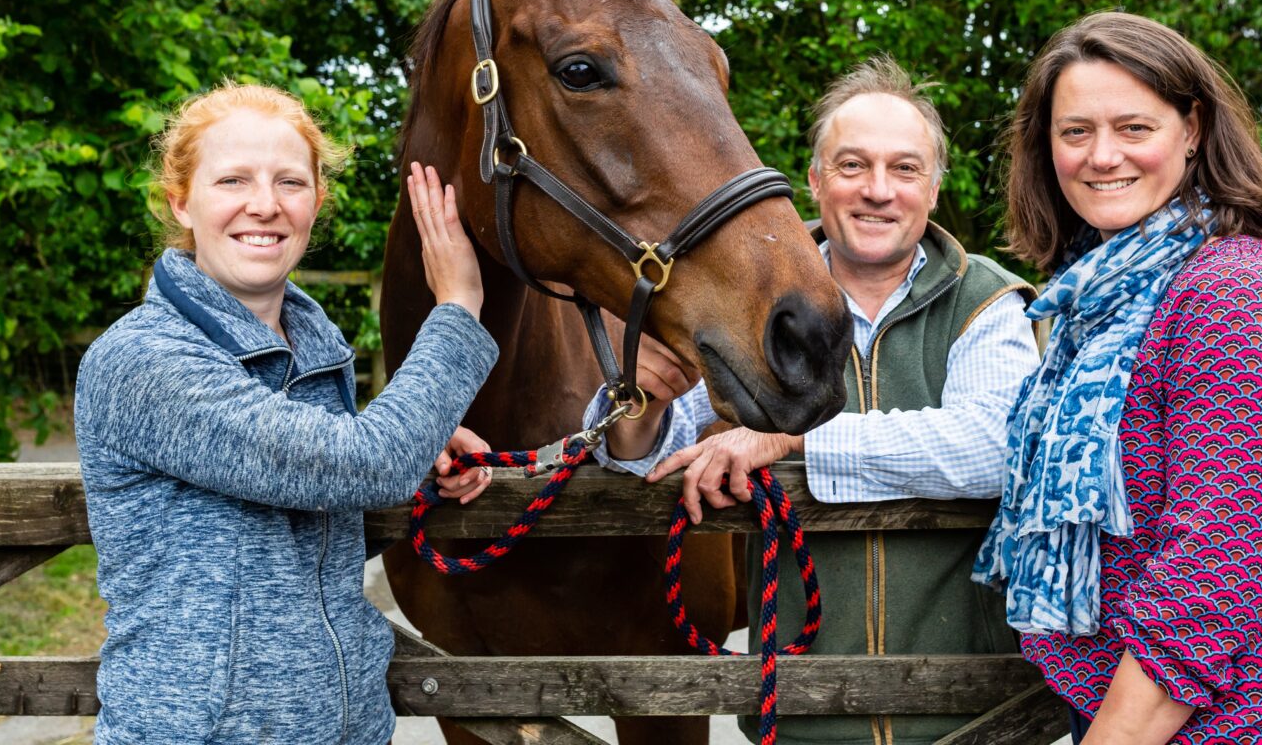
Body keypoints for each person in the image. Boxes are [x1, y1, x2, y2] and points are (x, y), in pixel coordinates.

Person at [585, 55, 1042, 745]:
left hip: (975, 715)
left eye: (905, 169)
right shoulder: (747, 299)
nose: (878, 191)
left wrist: (794, 438)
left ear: (933, 189)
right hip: (802, 712)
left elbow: (995, 447)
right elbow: (646, 452)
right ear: (816, 180)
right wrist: (640, 404)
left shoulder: (986, 299)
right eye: (853, 166)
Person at [973, 12, 1262, 743]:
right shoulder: (1100, 297)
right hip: (1143, 706)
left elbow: (1227, 553)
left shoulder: (1227, 288)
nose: (1102, 156)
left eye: (1134, 127)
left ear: (1192, 129)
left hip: (1238, 720)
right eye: (1075, 131)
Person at [75, 83, 498, 744]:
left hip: (347, 729)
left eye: (290, 182)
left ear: (316, 203)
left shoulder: (314, 350)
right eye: (232, 180)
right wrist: (458, 305)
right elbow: (365, 464)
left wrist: (423, 459)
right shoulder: (143, 359)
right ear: (181, 202)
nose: (265, 204)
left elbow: (304, 526)